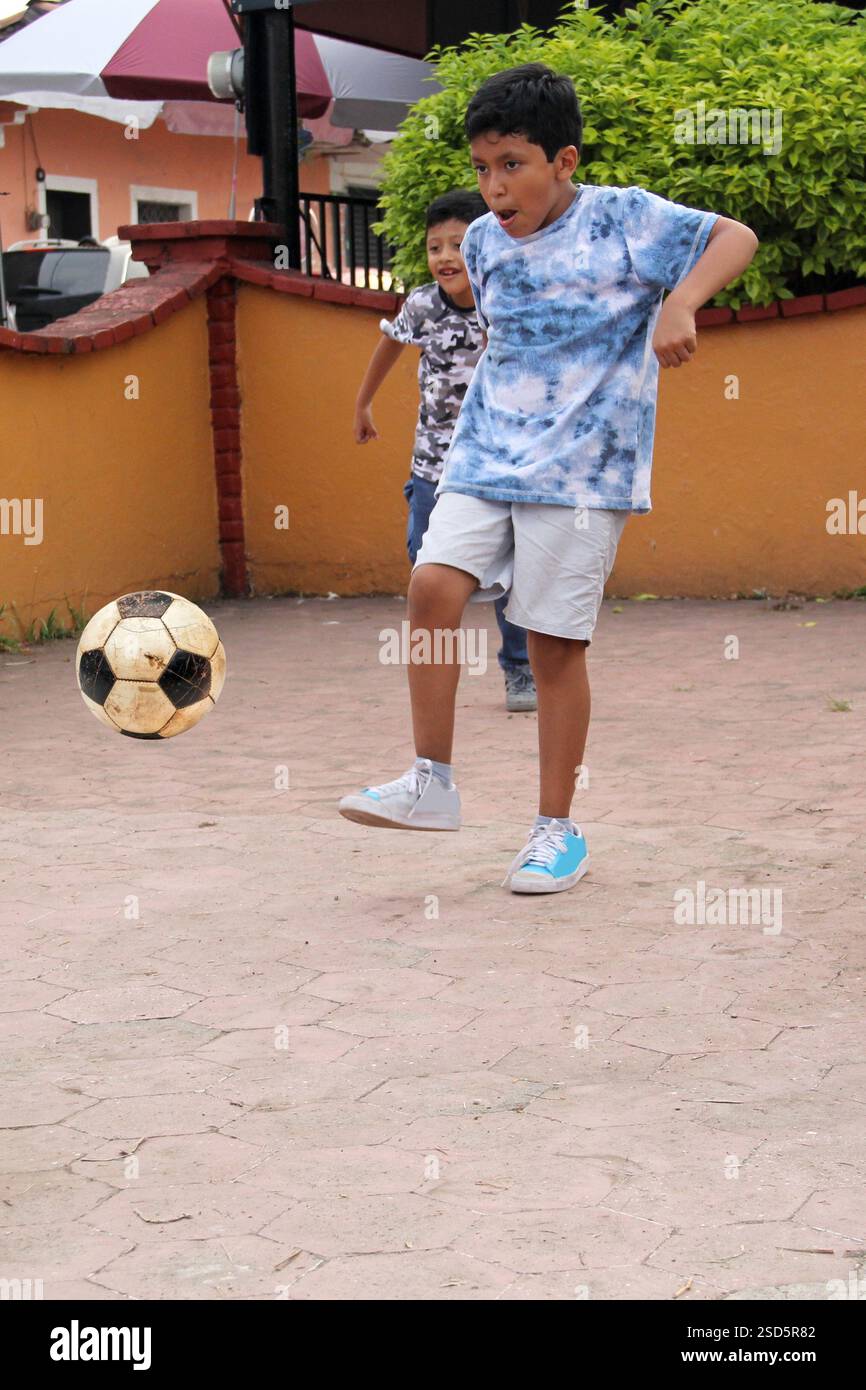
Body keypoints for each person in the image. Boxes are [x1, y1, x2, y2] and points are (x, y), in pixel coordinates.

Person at [340, 62, 758, 893]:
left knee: (554, 645)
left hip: (584, 471)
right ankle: (432, 783)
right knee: (430, 587)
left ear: (563, 161)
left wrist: (683, 304)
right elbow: (513, 339)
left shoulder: (625, 218)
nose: (494, 189)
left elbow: (734, 237)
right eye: (483, 169)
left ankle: (555, 831)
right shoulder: (487, 244)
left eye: (513, 166)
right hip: (487, 452)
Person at [353, 189, 538, 712]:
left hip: (496, 466)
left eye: (457, 244)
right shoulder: (422, 306)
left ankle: (519, 670)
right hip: (434, 466)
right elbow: (390, 341)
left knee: (508, 573)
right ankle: (436, 671)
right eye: (436, 247)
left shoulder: (502, 301)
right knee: (427, 570)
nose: (445, 257)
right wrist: (363, 403)